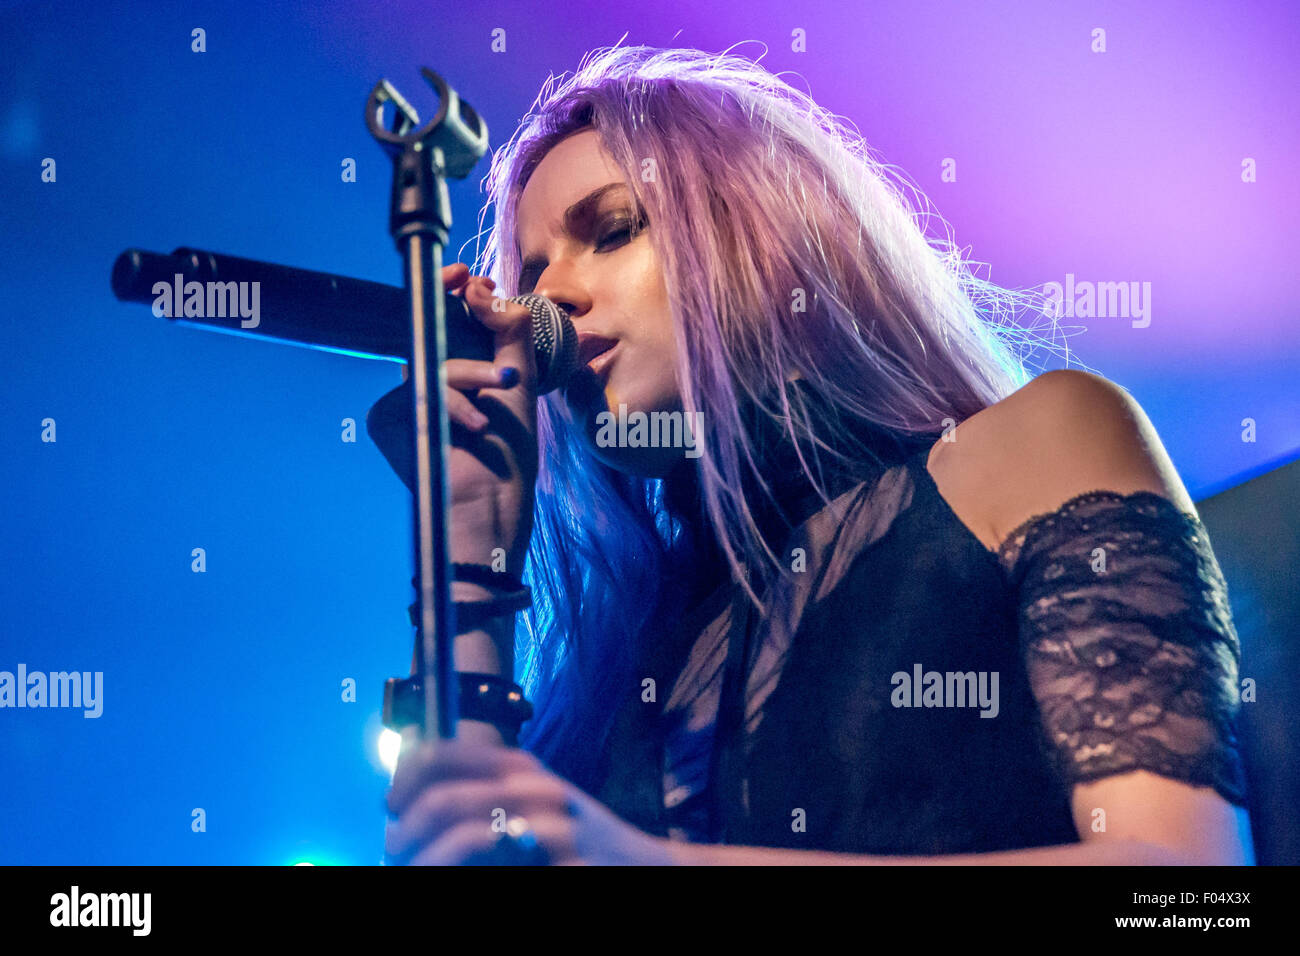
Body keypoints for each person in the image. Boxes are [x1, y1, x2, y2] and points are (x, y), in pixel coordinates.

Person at [377, 46, 1253, 865]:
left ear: (766, 235)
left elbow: (1185, 895)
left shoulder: (1035, 442)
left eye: (612, 231)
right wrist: (474, 553)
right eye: (532, 275)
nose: (553, 300)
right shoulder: (622, 662)